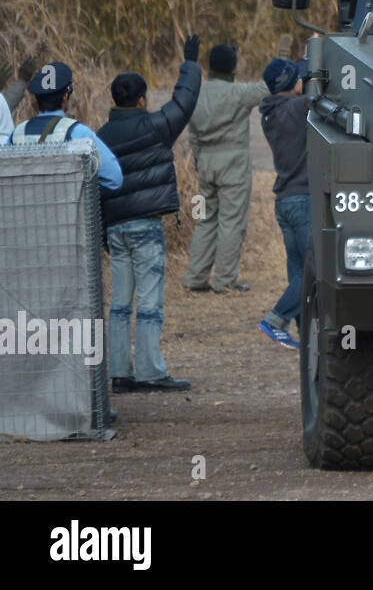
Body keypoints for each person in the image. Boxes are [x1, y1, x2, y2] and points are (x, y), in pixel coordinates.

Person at [97, 36, 201, 393]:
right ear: (142, 99)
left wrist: (102, 234)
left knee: (120, 302)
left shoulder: (100, 135)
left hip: (114, 229)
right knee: (151, 302)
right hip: (145, 226)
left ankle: (121, 374)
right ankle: (150, 372)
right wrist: (190, 64)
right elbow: (184, 103)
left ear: (115, 99)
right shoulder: (156, 127)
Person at [181, 43, 268, 293]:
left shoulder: (195, 93)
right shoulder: (239, 92)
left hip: (206, 164)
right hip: (233, 167)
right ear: (233, 66)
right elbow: (268, 87)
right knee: (231, 222)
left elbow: (193, 136)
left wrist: (199, 160)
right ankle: (225, 281)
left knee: (204, 219)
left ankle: (195, 277)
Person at [257, 57, 311, 349]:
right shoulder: (298, 109)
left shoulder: (270, 112)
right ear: (291, 83)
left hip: (285, 202)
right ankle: (275, 319)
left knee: (299, 271)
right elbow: (321, 96)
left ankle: (306, 337)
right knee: (317, 270)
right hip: (303, 201)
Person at [7, 62, 123, 191]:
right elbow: (114, 178)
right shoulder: (78, 132)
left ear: (37, 99)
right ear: (65, 96)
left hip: (26, 210)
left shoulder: (17, 134)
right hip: (70, 210)